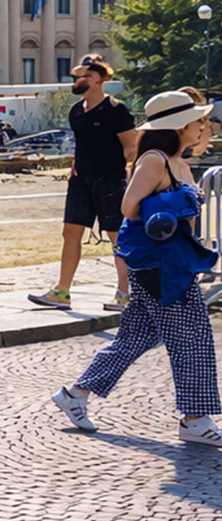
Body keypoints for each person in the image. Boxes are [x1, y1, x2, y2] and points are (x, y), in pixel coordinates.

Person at [51, 89, 221, 446]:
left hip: (171, 262)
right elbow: (129, 208)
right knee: (193, 338)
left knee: (136, 337)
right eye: (197, 121)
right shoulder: (155, 160)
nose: (202, 126)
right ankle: (194, 419)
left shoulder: (179, 163)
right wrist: (173, 203)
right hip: (158, 265)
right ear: (180, 125)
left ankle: (75, 394)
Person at [31, 54, 138, 311]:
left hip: (110, 181)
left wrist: (131, 175)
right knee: (70, 232)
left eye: (86, 76)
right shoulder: (76, 112)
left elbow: (131, 147)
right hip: (80, 182)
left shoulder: (116, 110)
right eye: (78, 76)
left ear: (100, 79)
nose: (79, 80)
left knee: (117, 236)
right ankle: (62, 291)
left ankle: (124, 293)